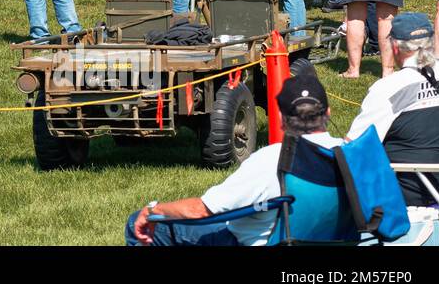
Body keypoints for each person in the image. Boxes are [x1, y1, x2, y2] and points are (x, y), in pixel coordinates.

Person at [126, 76, 341, 246]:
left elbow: (202, 210)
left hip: (257, 240)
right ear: (328, 112)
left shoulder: (270, 160)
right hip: (335, 239)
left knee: (139, 221)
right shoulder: (351, 156)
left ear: (282, 120)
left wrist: (152, 210)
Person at [347, 12, 439, 210]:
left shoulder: (387, 88)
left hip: (408, 196)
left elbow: (354, 147)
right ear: (432, 42)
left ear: (395, 47)